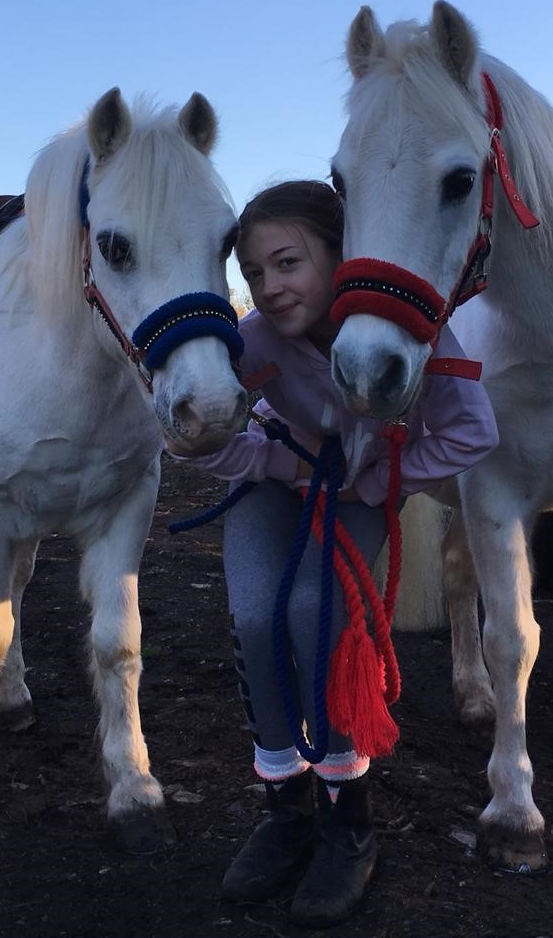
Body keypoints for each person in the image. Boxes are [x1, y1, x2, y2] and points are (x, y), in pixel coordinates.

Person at [171, 180, 497, 927]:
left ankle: (350, 821)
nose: (270, 286)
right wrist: (284, 467)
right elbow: (199, 443)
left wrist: (381, 478)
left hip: (358, 492)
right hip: (278, 483)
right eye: (254, 273)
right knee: (256, 615)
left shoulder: (413, 329)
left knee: (319, 612)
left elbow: (472, 433)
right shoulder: (254, 343)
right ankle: (285, 810)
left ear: (339, 254)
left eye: (287, 262)